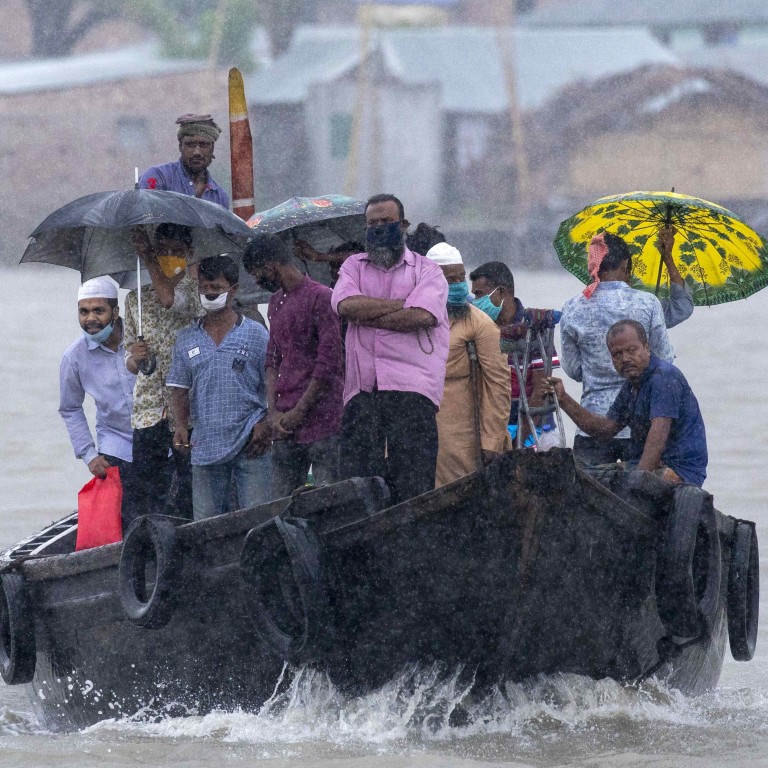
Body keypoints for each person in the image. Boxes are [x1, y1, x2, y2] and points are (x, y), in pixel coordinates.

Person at [331, 193, 450, 504]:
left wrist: (368, 313)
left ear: (404, 225)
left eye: (387, 222)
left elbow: (421, 316)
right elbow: (345, 305)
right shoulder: (352, 267)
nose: (379, 228)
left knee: (413, 491)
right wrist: (400, 305)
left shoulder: (428, 271)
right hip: (363, 392)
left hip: (412, 393)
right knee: (357, 491)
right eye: (373, 223)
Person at [167, 255, 271, 519]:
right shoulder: (187, 338)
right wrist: (180, 426)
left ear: (233, 290)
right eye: (205, 288)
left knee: (257, 520)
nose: (210, 294)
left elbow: (273, 379)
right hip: (205, 444)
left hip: (251, 438)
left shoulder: (256, 333)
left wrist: (267, 421)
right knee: (206, 525)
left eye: (217, 289)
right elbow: (178, 388)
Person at [560, 232, 676, 466]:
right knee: (644, 495)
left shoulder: (572, 308)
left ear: (594, 267)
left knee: (589, 497)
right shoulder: (647, 302)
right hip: (641, 425)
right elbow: (664, 361)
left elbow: (573, 371)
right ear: (625, 265)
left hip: (591, 424)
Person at [545, 320, 707, 486]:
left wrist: (637, 481)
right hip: (644, 464)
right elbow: (605, 429)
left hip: (681, 470)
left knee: (618, 489)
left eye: (631, 350)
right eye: (617, 354)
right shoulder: (632, 385)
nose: (625, 359)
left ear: (647, 348)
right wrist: (563, 399)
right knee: (582, 477)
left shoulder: (663, 378)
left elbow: (658, 434)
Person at [243, 233, 344, 498]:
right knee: (281, 507)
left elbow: (329, 363)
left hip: (323, 419)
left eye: (256, 274)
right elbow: (272, 359)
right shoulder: (275, 303)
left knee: (329, 504)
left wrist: (300, 410)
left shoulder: (322, 298)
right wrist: (273, 411)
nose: (256, 281)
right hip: (285, 424)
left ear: (271, 266)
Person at [123, 224, 203, 521]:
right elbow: (130, 362)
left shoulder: (196, 294)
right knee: (145, 490)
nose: (169, 257)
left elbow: (170, 300)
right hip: (147, 410)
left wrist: (147, 257)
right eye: (162, 251)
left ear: (189, 254)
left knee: (189, 486)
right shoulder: (135, 300)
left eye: (176, 252)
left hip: (188, 409)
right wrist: (136, 357)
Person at [426, 243, 511, 486]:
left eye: (460, 277)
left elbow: (498, 386)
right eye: (449, 279)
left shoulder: (479, 324)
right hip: (421, 430)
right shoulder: (414, 318)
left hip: (463, 437)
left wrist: (492, 441)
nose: (457, 285)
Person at [59, 277, 138, 526]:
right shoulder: (74, 357)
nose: (90, 319)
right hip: (116, 446)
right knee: (125, 521)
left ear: (115, 312)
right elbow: (70, 409)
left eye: (98, 311)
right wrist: (89, 455)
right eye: (83, 311)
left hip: (159, 441)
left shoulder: (141, 341)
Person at [469, 260, 560, 441]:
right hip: (492, 420)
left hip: (532, 421)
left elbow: (541, 390)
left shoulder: (534, 327)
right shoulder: (477, 327)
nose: (475, 303)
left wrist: (518, 438)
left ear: (501, 292)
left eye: (479, 295)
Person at [139, 114, 229, 209]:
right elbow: (144, 215)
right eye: (190, 144)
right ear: (180, 147)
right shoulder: (157, 177)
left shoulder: (219, 197)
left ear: (212, 148)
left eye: (204, 145)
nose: (197, 152)